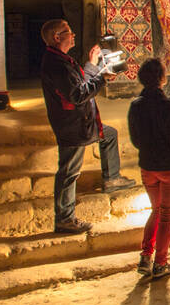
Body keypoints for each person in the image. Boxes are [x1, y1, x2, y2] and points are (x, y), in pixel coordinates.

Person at [40, 18, 136, 234]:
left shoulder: (61, 60)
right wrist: (102, 78)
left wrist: (92, 64)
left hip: (81, 122)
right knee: (69, 171)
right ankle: (64, 219)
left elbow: (80, 83)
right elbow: (78, 94)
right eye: (68, 31)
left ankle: (111, 178)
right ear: (57, 37)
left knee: (109, 135)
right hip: (72, 126)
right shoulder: (57, 65)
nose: (73, 34)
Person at [127, 58, 170, 279]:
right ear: (162, 78)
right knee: (166, 215)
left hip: (148, 166)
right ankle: (161, 263)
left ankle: (145, 256)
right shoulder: (168, 106)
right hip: (169, 168)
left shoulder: (136, 105)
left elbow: (135, 139)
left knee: (156, 210)